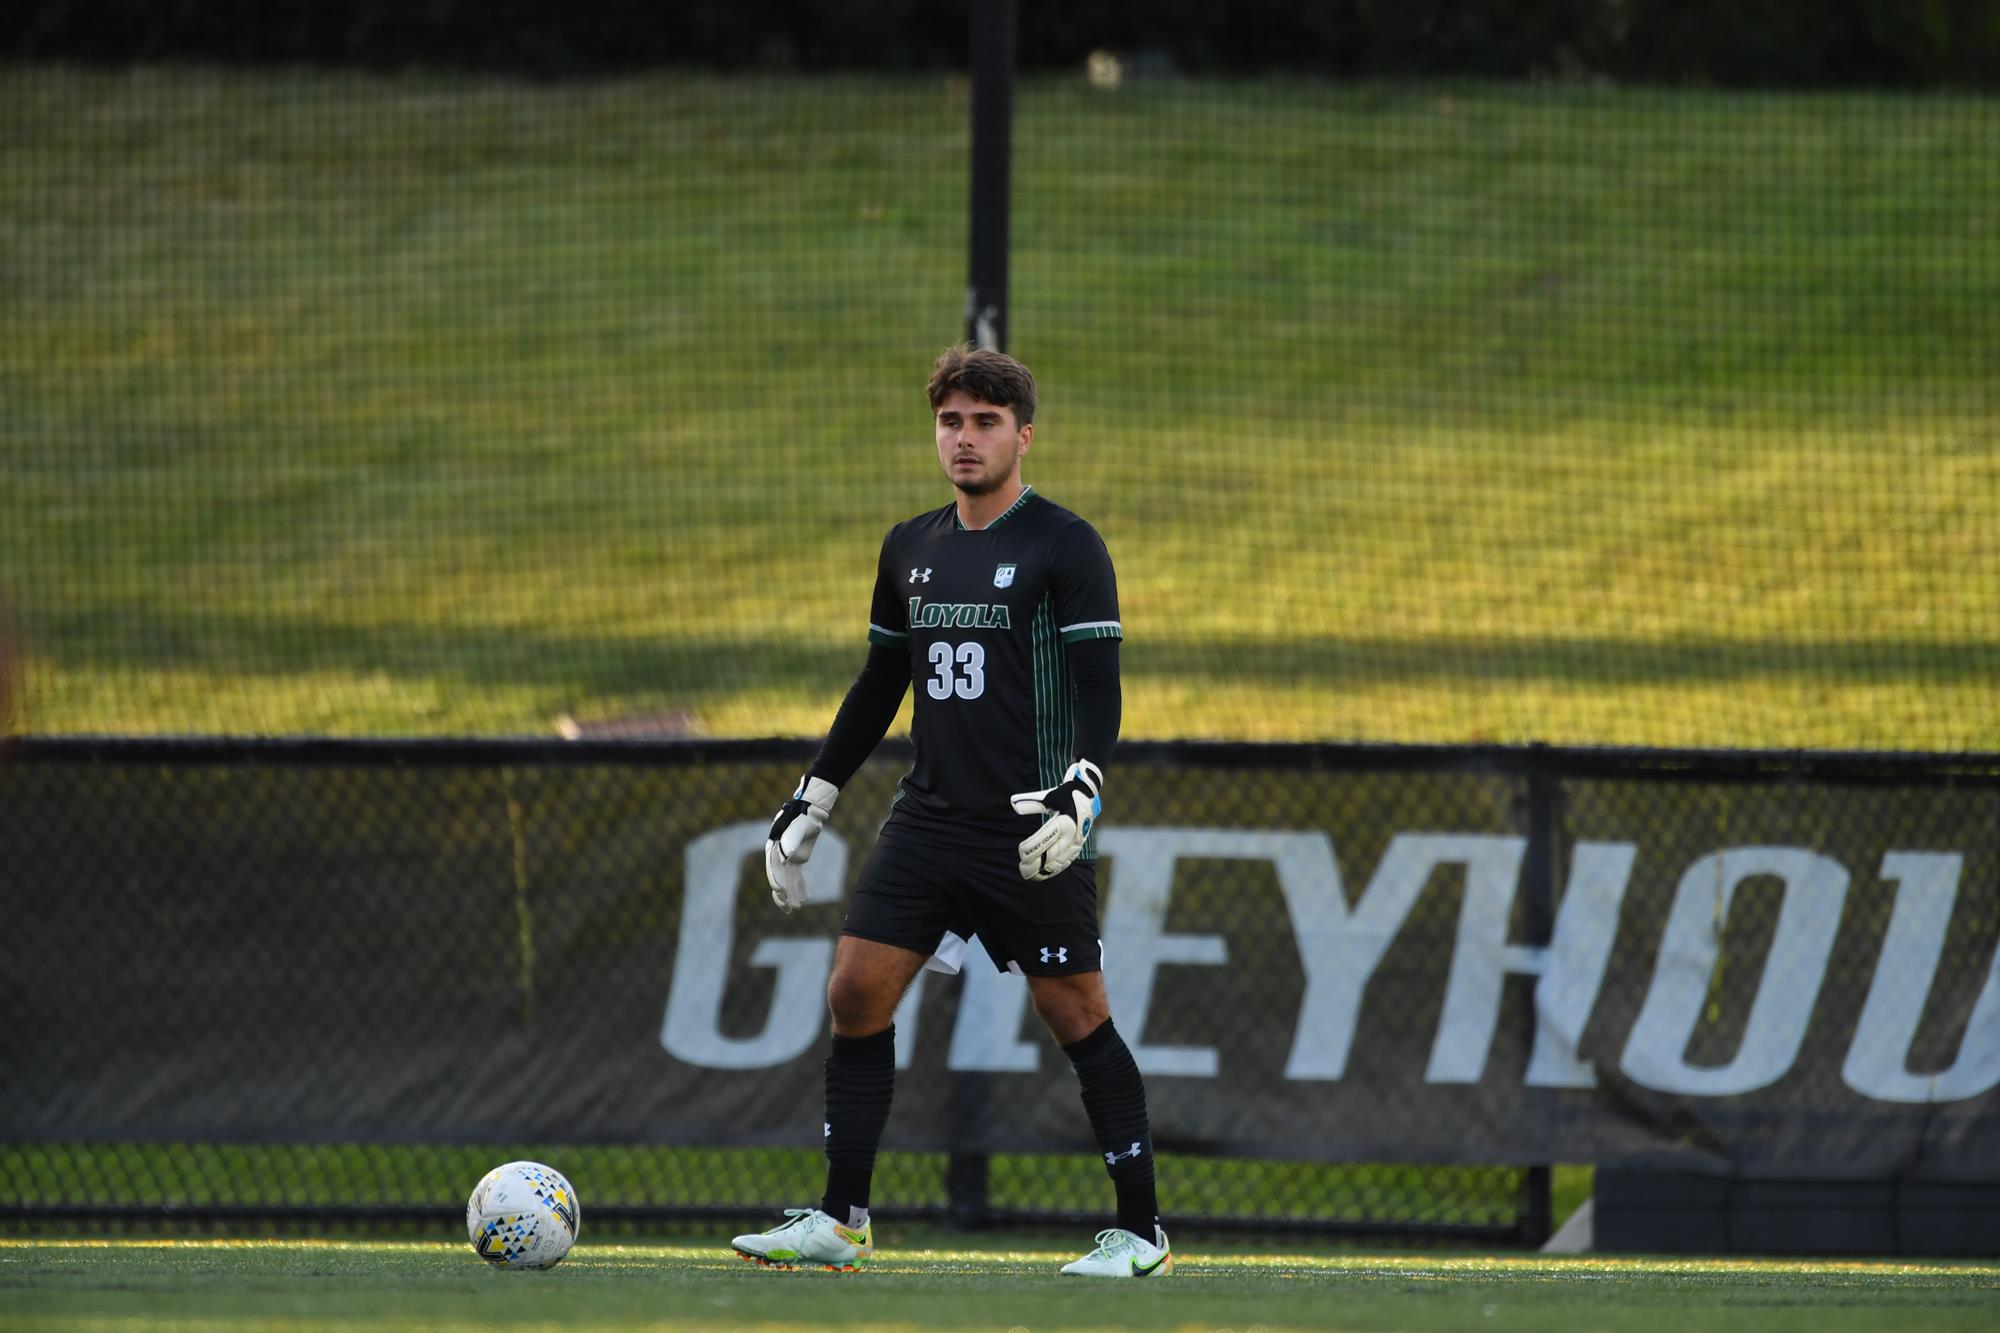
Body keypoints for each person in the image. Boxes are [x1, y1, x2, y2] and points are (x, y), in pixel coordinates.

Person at [729, 346, 1170, 1279]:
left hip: (1028, 824)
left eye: (984, 422)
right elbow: (882, 678)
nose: (963, 439)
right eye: (949, 421)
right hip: (926, 821)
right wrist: (813, 794)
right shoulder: (911, 545)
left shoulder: (1066, 543)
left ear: (1023, 434)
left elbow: (1101, 687)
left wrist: (1082, 788)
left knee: (1077, 1011)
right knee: (854, 990)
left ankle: (1143, 1233)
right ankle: (842, 1220)